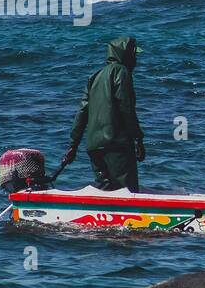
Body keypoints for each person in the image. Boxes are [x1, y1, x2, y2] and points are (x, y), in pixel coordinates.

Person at [61, 36, 146, 191]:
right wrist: (138, 138)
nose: (135, 60)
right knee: (125, 191)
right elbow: (126, 108)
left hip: (94, 146)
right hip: (116, 145)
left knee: (106, 189)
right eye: (134, 55)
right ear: (125, 54)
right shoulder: (121, 71)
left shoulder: (94, 76)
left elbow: (82, 113)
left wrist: (73, 146)